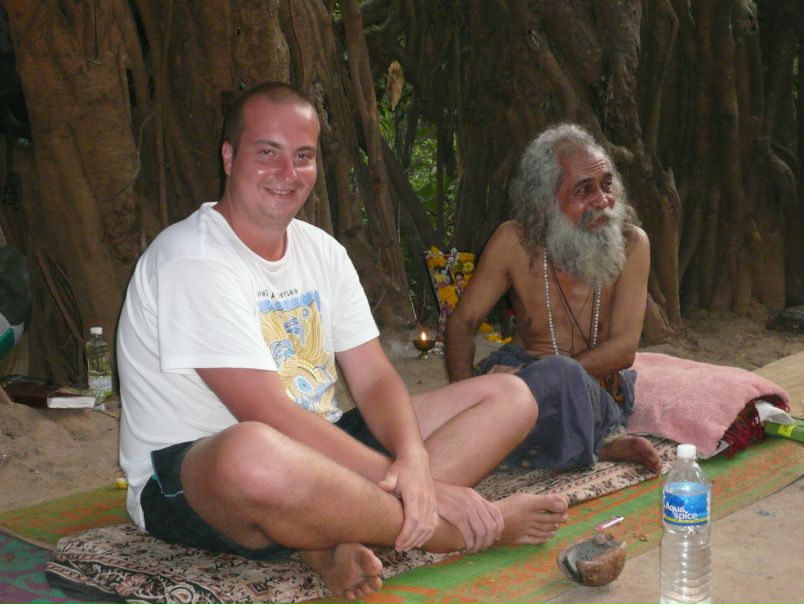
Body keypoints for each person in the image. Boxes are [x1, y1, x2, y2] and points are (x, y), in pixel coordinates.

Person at [117, 82, 569, 600]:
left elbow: (373, 377)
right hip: (196, 475)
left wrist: (414, 461)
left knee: (509, 396)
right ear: (228, 156)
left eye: (303, 156)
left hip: (318, 452)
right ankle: (460, 530)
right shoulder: (192, 259)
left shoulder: (321, 250)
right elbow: (268, 413)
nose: (287, 173)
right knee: (252, 452)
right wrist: (431, 490)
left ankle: (331, 536)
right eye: (267, 152)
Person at [445, 123, 662, 475]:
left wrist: (538, 377)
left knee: (560, 379)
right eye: (584, 190)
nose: (602, 201)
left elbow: (623, 350)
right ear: (546, 200)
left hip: (592, 388)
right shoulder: (514, 242)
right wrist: (462, 396)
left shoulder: (633, 243)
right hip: (522, 375)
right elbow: (462, 323)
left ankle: (576, 439)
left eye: (607, 185)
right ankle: (595, 444)